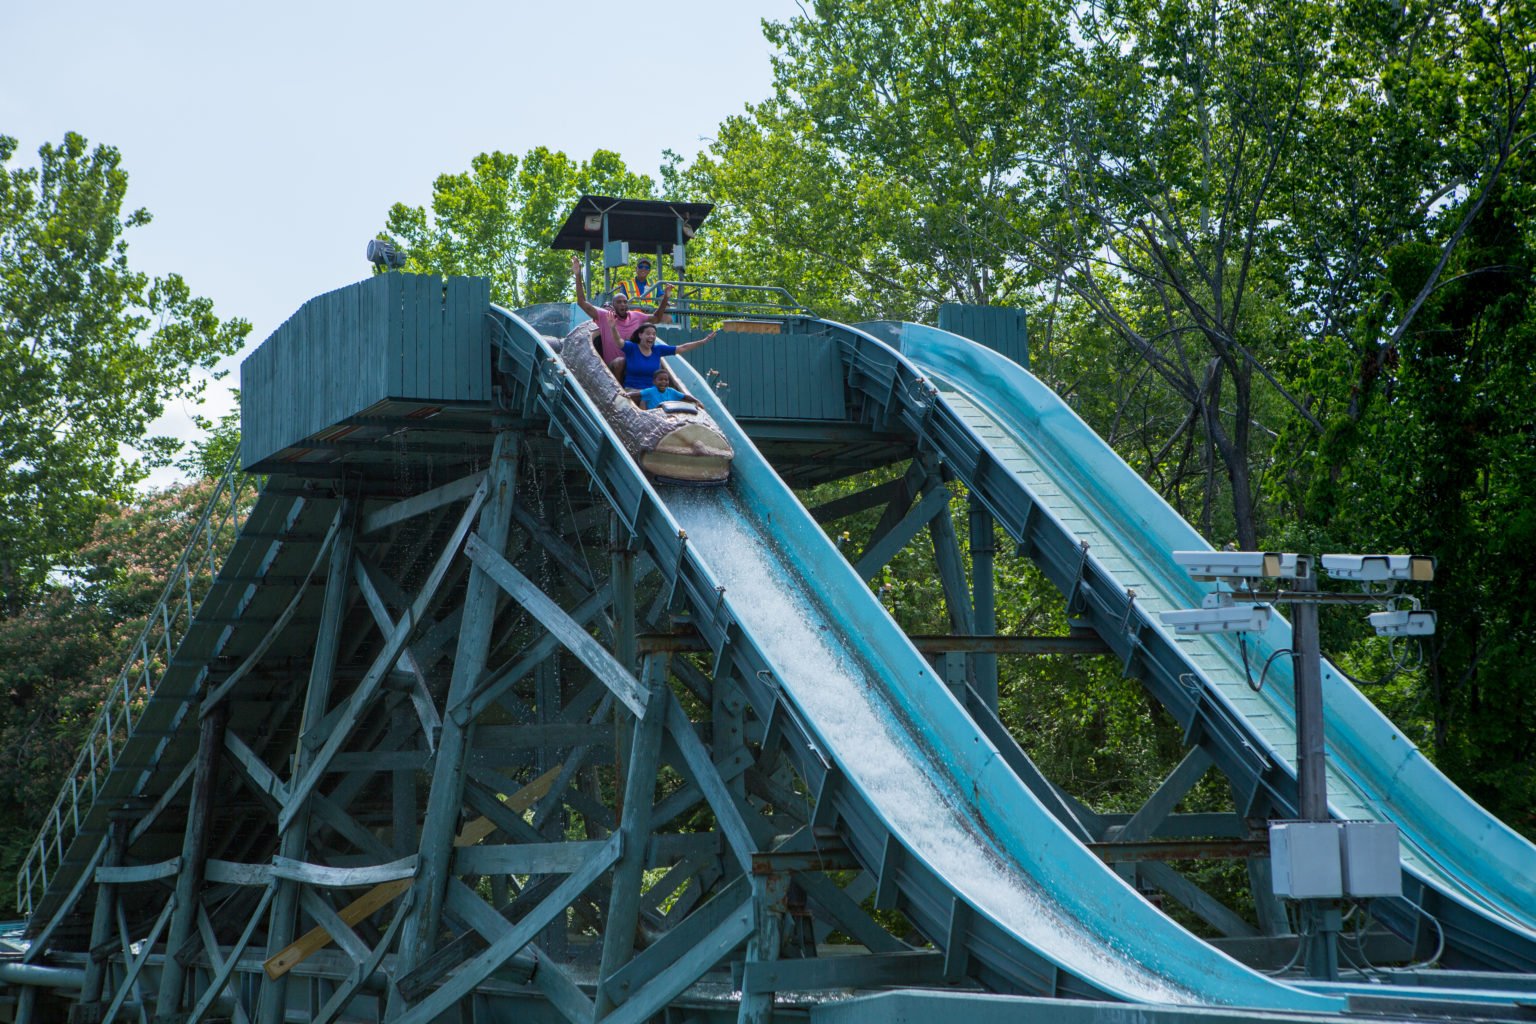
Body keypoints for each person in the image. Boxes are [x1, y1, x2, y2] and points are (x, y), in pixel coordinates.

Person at [571, 253, 671, 365]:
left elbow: (657, 318)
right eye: (619, 302)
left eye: (625, 302)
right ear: (613, 306)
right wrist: (578, 275)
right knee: (619, 363)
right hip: (614, 368)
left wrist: (666, 297)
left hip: (634, 368)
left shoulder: (636, 316)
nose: (623, 304)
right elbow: (582, 302)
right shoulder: (606, 316)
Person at [613, 323, 718, 392]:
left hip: (652, 392)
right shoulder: (632, 348)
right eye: (648, 334)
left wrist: (704, 341)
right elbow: (618, 341)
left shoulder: (658, 350)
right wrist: (613, 327)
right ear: (640, 335)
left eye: (654, 334)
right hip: (632, 391)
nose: (652, 337)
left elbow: (683, 348)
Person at [636, 368, 701, 410]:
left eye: (666, 380)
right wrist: (626, 395)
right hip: (654, 416)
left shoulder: (671, 391)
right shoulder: (649, 391)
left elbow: (685, 397)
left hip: (668, 416)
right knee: (643, 400)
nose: (663, 382)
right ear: (654, 382)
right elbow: (634, 394)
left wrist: (696, 401)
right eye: (660, 380)